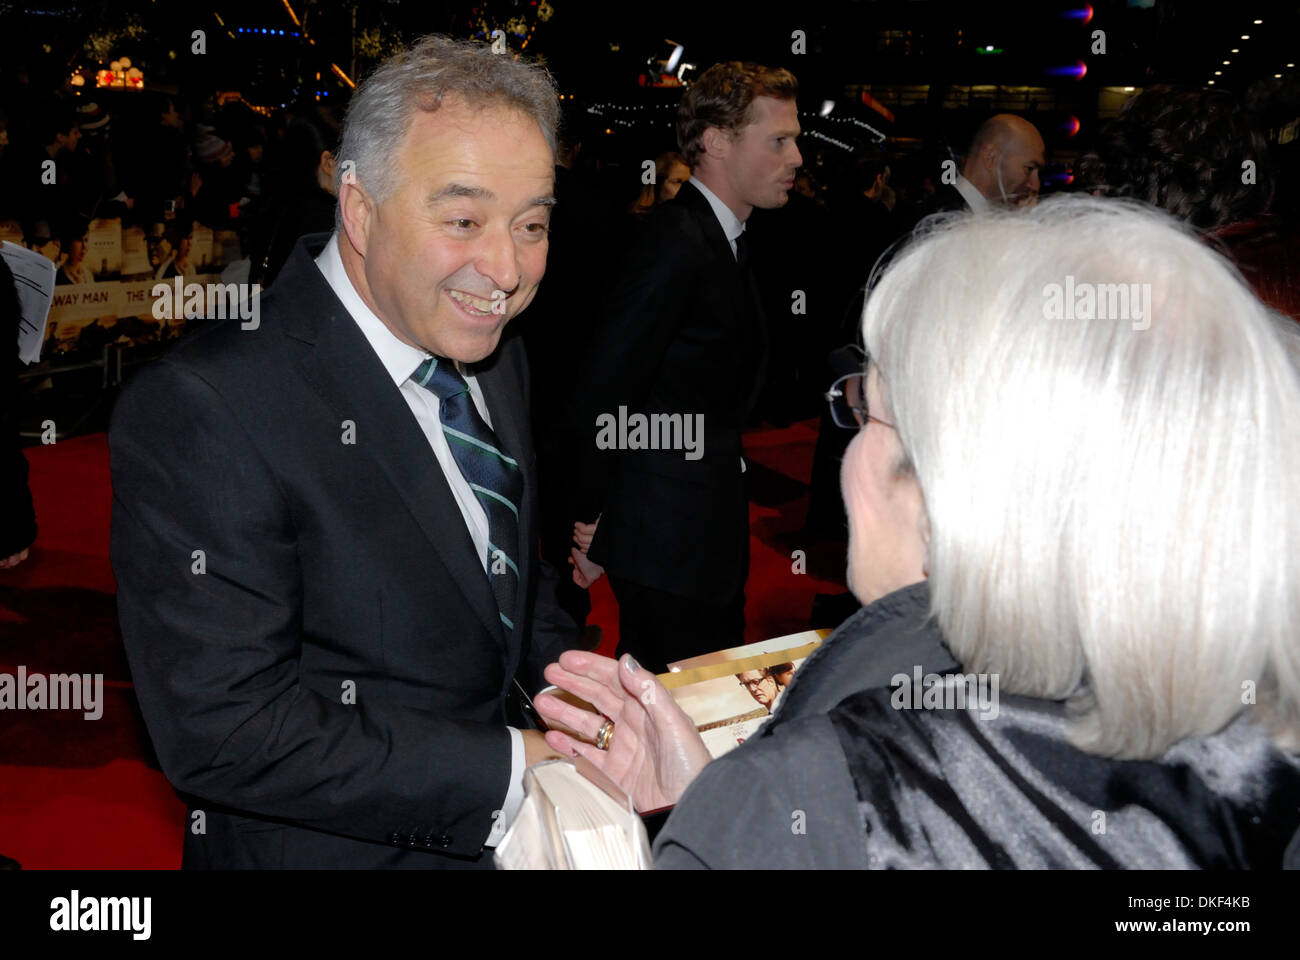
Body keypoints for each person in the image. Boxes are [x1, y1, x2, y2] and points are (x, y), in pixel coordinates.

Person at [537, 196, 1300, 868]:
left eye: (864, 405)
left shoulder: (821, 793)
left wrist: (715, 826)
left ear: (948, 487)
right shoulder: (1260, 750)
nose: (849, 439)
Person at [111, 35, 578, 869]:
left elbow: (505, 570)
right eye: (463, 220)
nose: (506, 269)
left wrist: (577, 691)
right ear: (359, 211)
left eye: (532, 224)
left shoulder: (494, 354)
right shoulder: (206, 405)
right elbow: (228, 730)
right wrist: (514, 766)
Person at [567, 61, 801, 672]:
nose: (797, 156)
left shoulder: (723, 237)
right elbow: (606, 387)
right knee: (670, 706)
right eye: (778, 140)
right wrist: (593, 520)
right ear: (718, 142)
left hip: (695, 530)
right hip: (664, 541)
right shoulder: (675, 243)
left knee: (693, 699)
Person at [917, 113, 1044, 218]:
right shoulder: (938, 222)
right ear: (991, 157)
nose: (1036, 185)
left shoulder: (950, 213)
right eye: (1029, 169)